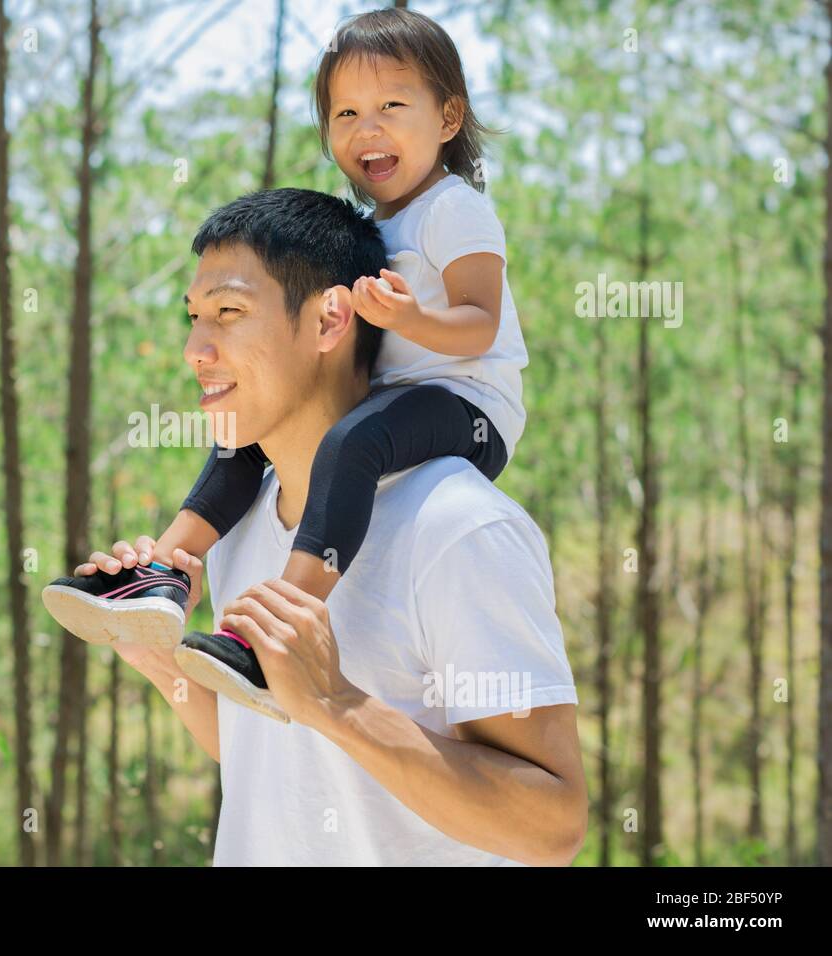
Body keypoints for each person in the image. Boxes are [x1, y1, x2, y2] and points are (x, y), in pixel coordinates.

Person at [55, 186, 584, 865]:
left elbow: (553, 828)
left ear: (331, 319)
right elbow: (265, 751)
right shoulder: (241, 527)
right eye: (193, 317)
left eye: (229, 313)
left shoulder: (456, 528)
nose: (195, 349)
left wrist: (339, 702)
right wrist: (162, 660)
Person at [44, 8, 529, 710]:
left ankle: (277, 631)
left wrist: (412, 318)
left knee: (355, 440)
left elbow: (481, 326)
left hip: (466, 407)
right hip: (390, 400)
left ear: (449, 117)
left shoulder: (455, 210)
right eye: (346, 113)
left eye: (393, 106)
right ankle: (163, 572)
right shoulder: (369, 228)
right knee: (244, 435)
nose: (368, 130)